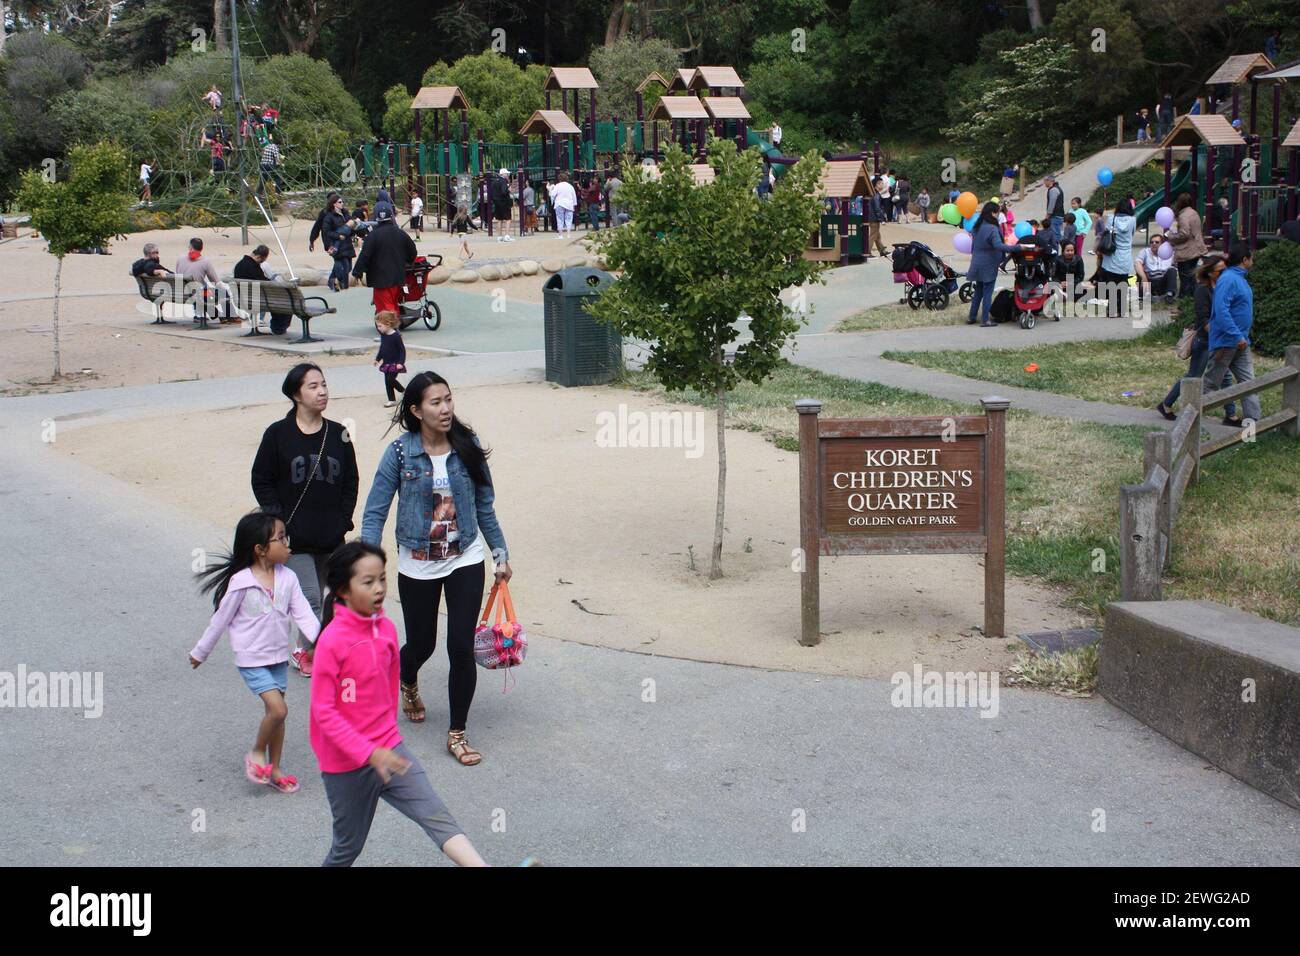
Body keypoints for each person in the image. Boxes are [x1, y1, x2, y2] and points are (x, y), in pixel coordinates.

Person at [361, 371, 512, 767]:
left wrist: (499, 553)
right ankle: (407, 679)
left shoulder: (467, 446)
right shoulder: (399, 453)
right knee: (422, 644)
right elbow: (376, 508)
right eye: (435, 402)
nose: (445, 408)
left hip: (464, 557)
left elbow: (484, 506)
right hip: (418, 563)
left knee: (460, 646)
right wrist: (367, 556)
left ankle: (457, 732)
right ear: (415, 410)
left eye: (448, 399)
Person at [310, 541, 487, 867]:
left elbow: (386, 694)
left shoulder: (387, 630)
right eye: (368, 582)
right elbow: (324, 712)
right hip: (346, 766)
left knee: (437, 816)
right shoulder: (332, 642)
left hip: (390, 751)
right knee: (347, 849)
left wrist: (386, 741)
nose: (378, 589)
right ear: (342, 590)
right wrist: (368, 752)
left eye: (382, 579)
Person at [191, 510, 319, 794]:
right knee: (278, 709)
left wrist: (322, 641)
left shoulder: (288, 578)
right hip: (252, 660)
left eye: (286, 537)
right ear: (260, 549)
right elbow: (220, 621)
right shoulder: (241, 582)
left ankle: (275, 770)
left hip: (277, 658)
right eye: (281, 539)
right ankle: (257, 753)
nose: (288, 544)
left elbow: (305, 615)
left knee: (278, 716)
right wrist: (200, 652)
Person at [251, 363, 359, 677]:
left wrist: (343, 519)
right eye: (313, 386)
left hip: (331, 533)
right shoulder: (277, 434)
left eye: (324, 384)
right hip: (293, 537)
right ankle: (310, 652)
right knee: (310, 596)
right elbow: (262, 479)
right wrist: (277, 519)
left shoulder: (338, 433)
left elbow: (350, 479)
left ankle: (307, 646)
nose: (322, 391)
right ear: (296, 394)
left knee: (336, 596)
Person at [1156, 255, 1235, 421]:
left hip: (1220, 340)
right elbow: (1202, 319)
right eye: (1220, 270)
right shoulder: (1202, 289)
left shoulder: (1222, 287)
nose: (1224, 273)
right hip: (1205, 341)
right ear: (1210, 272)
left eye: (1226, 269)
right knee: (1193, 376)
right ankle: (1166, 404)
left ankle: (1231, 414)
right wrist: (1218, 334)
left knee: (1226, 377)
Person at [1203, 243, 1260, 427]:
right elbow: (1221, 310)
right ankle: (1186, 426)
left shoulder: (1239, 278)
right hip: (1227, 342)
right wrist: (1236, 336)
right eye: (1251, 257)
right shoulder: (1228, 279)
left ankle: (1251, 431)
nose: (1253, 260)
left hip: (1241, 342)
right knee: (1210, 385)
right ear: (1244, 260)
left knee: (1248, 384)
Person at [352, 203, 418, 318]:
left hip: (379, 277)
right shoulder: (400, 233)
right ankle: (395, 327)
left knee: (385, 307)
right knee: (393, 303)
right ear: (391, 216)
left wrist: (357, 273)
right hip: (398, 276)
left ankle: (391, 332)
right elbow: (412, 251)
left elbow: (365, 256)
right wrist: (407, 262)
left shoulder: (373, 236)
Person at [966, 201, 1017, 327]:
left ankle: (972, 317)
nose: (998, 215)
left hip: (977, 262)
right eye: (997, 213)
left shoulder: (976, 227)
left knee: (978, 291)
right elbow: (998, 246)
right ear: (993, 213)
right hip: (988, 264)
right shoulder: (992, 228)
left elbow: (973, 247)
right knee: (987, 292)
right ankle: (985, 320)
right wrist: (1017, 248)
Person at [233, 245, 293, 335]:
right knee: (284, 303)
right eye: (262, 261)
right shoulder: (253, 267)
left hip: (243, 299)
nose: (261, 263)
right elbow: (265, 282)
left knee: (275, 302)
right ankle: (278, 328)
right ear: (258, 257)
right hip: (258, 300)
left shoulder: (239, 265)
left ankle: (276, 327)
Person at [176, 237, 238, 324]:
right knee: (221, 292)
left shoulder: (180, 258)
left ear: (190, 247)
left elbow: (178, 274)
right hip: (198, 293)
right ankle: (230, 316)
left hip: (182, 292)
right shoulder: (205, 261)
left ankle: (203, 314)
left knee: (201, 290)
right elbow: (215, 280)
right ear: (201, 248)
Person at [1097, 198, 1137, 316]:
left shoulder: (1111, 219)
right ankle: (1122, 308)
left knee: (1112, 283)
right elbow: (1132, 234)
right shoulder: (1132, 220)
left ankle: (1112, 309)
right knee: (1123, 282)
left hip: (1113, 255)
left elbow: (1107, 233)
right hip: (1125, 255)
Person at [1165, 191, 1206, 298]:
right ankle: (1193, 300)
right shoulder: (1194, 213)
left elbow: (1184, 234)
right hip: (1197, 248)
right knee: (1192, 277)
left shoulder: (1183, 216)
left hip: (1187, 251)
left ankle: (1184, 300)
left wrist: (1171, 236)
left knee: (1185, 278)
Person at [320, 195, 357, 292]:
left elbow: (350, 227)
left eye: (342, 202)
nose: (342, 204)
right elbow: (326, 231)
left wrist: (353, 231)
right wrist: (338, 236)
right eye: (340, 202)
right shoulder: (329, 217)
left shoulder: (345, 214)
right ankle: (344, 286)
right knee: (343, 266)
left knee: (348, 267)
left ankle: (332, 280)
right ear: (334, 204)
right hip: (336, 244)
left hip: (347, 243)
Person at [374, 310, 407, 408]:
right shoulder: (383, 335)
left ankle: (403, 391)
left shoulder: (396, 336)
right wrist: (377, 359)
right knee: (387, 382)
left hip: (395, 363)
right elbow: (382, 348)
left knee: (390, 379)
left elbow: (402, 350)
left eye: (380, 326)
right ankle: (392, 400)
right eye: (378, 326)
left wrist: (401, 362)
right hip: (386, 363)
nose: (378, 328)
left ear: (388, 324)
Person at [1135, 233, 1176, 305]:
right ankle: (1144, 297)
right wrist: (1143, 277)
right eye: (1151, 242)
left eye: (1157, 242)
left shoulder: (1169, 252)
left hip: (1163, 281)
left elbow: (1176, 264)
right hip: (1150, 281)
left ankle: (1169, 296)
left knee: (1172, 270)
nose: (1154, 244)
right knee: (1139, 273)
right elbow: (1137, 263)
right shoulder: (1145, 252)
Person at [549, 172, 578, 238]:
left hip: (559, 204)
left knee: (560, 219)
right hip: (569, 204)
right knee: (569, 219)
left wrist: (550, 191)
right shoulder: (570, 186)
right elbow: (574, 196)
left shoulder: (557, 186)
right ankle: (568, 234)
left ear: (559, 179)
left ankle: (560, 235)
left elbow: (552, 195)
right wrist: (574, 204)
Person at [865, 177, 888, 257]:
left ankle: (882, 250)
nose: (882, 184)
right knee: (873, 235)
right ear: (877, 184)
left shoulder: (873, 193)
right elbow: (877, 208)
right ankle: (867, 252)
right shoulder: (876, 195)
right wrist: (881, 219)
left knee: (877, 235)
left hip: (871, 216)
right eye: (881, 183)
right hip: (874, 217)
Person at [491, 169, 514, 241]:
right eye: (507, 174)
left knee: (499, 219)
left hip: (496, 202)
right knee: (508, 219)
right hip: (504, 202)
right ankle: (507, 236)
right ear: (503, 174)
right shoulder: (503, 181)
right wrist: (509, 190)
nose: (508, 175)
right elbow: (504, 191)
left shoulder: (494, 181)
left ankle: (499, 236)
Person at [1044, 174, 1065, 246]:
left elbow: (1052, 203)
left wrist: (1047, 215)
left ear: (1049, 181)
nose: (1044, 183)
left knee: (1055, 237)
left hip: (1055, 216)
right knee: (1058, 234)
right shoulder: (1057, 188)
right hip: (1059, 215)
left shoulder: (1053, 190)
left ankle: (1056, 253)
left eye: (1045, 181)